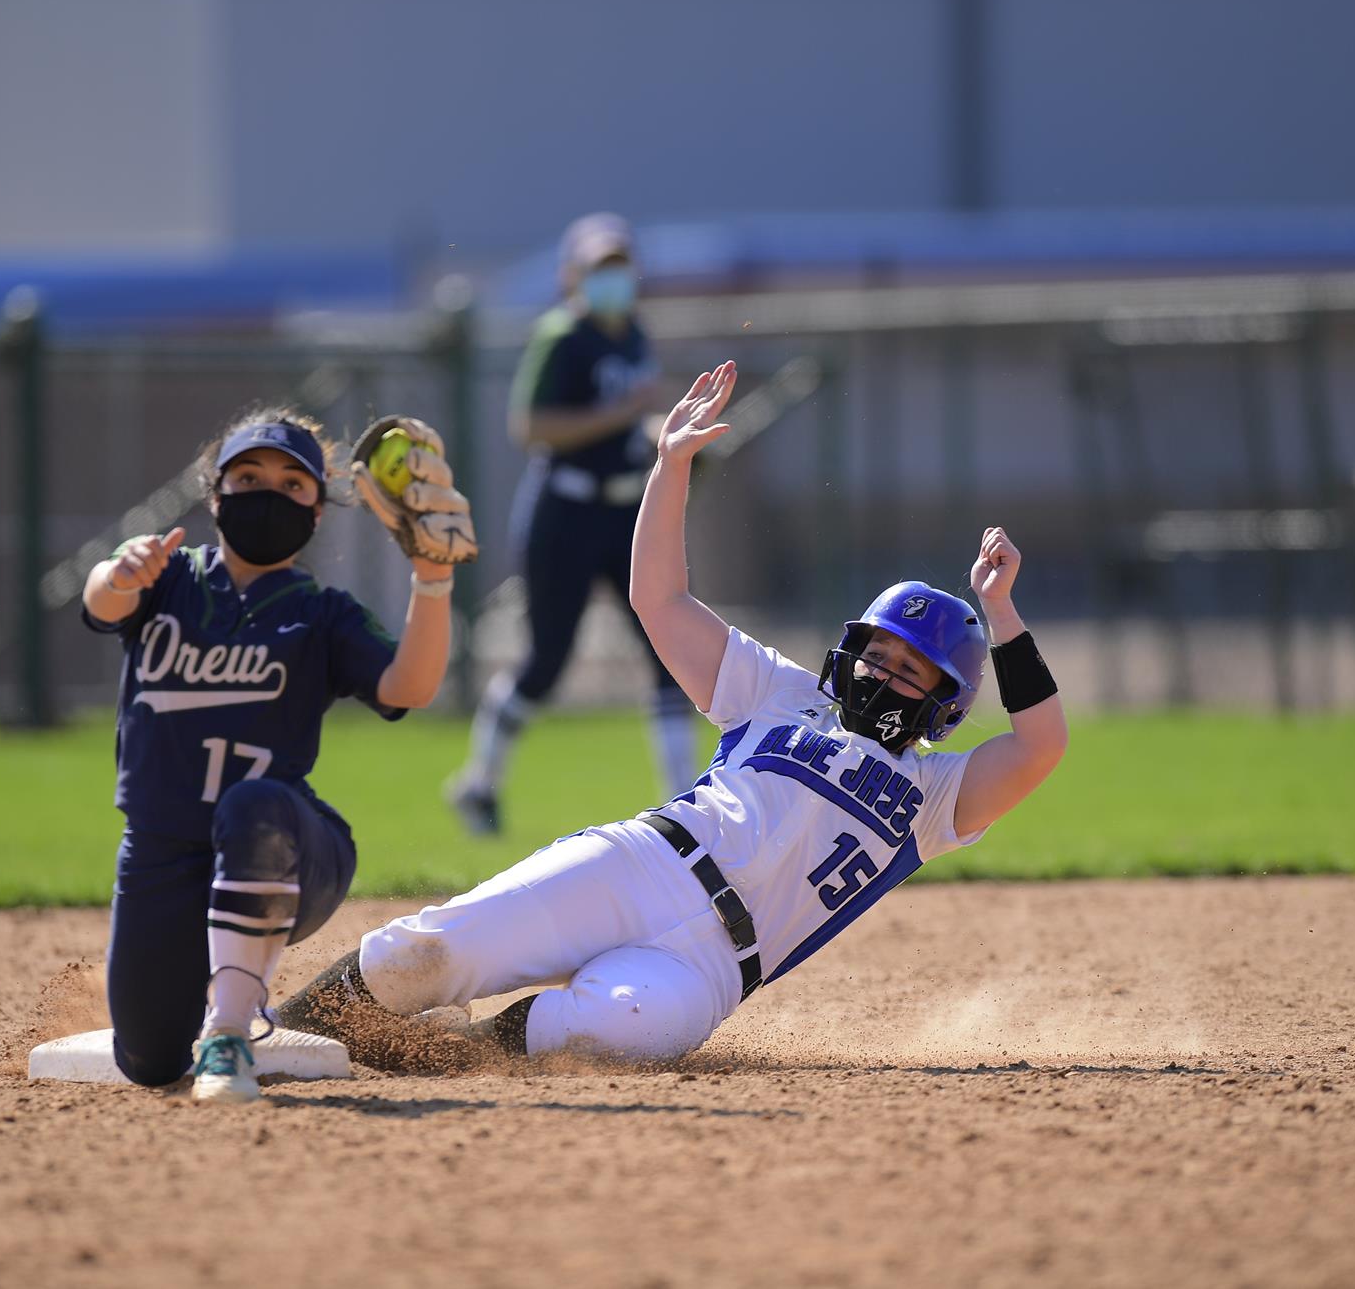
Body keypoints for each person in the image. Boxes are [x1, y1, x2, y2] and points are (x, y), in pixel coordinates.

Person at [254, 361, 1068, 1085]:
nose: (879, 672)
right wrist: (671, 465)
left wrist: (1001, 614)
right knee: (420, 954)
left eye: (909, 667)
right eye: (875, 651)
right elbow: (659, 599)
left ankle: (449, 1050)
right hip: (645, 864)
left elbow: (1041, 746)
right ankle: (271, 1034)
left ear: (945, 699)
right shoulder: (778, 694)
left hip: (710, 966)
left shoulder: (935, 795)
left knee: (627, 1025)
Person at [79, 406, 475, 1103]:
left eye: (293, 483)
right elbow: (102, 601)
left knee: (253, 801)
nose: (269, 491)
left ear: (317, 510)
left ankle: (230, 1029)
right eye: (249, 475)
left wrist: (432, 578)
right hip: (161, 853)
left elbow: (409, 684)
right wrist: (121, 571)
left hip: (289, 847)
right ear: (214, 496)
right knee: (147, 1059)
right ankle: (205, 1008)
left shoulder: (320, 612)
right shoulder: (166, 579)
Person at [446, 212, 692, 835]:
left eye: (621, 265)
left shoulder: (634, 332)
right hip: (565, 510)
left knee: (668, 646)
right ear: (572, 275)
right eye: (599, 267)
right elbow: (533, 427)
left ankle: (686, 805)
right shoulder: (562, 334)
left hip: (624, 506)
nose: (614, 279)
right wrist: (624, 413)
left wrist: (666, 438)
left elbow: (628, 419)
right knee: (548, 659)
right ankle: (480, 780)